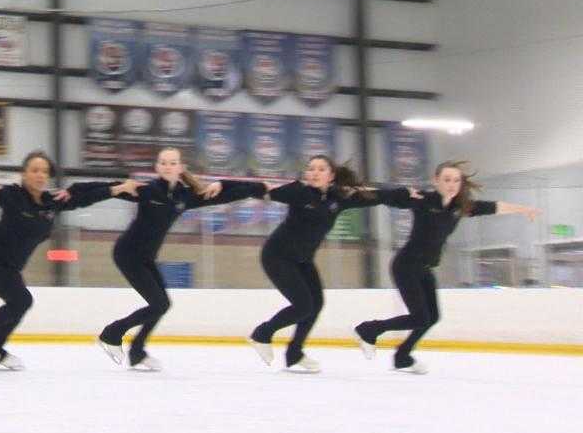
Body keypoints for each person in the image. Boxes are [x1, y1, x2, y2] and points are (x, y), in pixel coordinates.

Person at [0, 151, 143, 370]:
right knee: (21, 301)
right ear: (24, 174)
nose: (40, 175)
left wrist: (117, 189)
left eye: (44, 171)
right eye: (34, 170)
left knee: (20, 303)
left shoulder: (51, 203)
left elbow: (84, 197)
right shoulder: (12, 195)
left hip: (10, 267)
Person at [354, 161, 540, 374]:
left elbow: (493, 207)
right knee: (420, 317)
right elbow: (386, 196)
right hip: (406, 265)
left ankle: (402, 356)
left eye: (456, 180)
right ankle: (368, 329)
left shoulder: (460, 207)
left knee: (432, 317)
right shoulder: (423, 199)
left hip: (424, 268)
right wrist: (358, 190)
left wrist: (524, 209)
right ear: (436, 181)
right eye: (447, 180)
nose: (452, 184)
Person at [98, 147, 266, 371]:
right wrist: (74, 194)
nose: (168, 167)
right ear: (157, 167)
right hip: (127, 254)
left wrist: (251, 187)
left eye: (173, 163)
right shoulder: (146, 190)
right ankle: (112, 333)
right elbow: (105, 189)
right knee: (159, 304)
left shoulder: (184, 196)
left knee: (162, 305)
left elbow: (229, 195)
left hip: (146, 257)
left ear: (180, 167)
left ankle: (137, 351)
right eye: (164, 163)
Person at [248, 155, 410, 373]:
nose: (315, 173)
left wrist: (405, 193)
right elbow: (260, 190)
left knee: (316, 304)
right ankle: (262, 334)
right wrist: (226, 186)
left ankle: (294, 352)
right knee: (303, 306)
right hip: (277, 256)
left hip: (303, 260)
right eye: (311, 169)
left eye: (321, 169)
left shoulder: (338, 198)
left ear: (331, 176)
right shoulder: (298, 192)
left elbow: (375, 196)